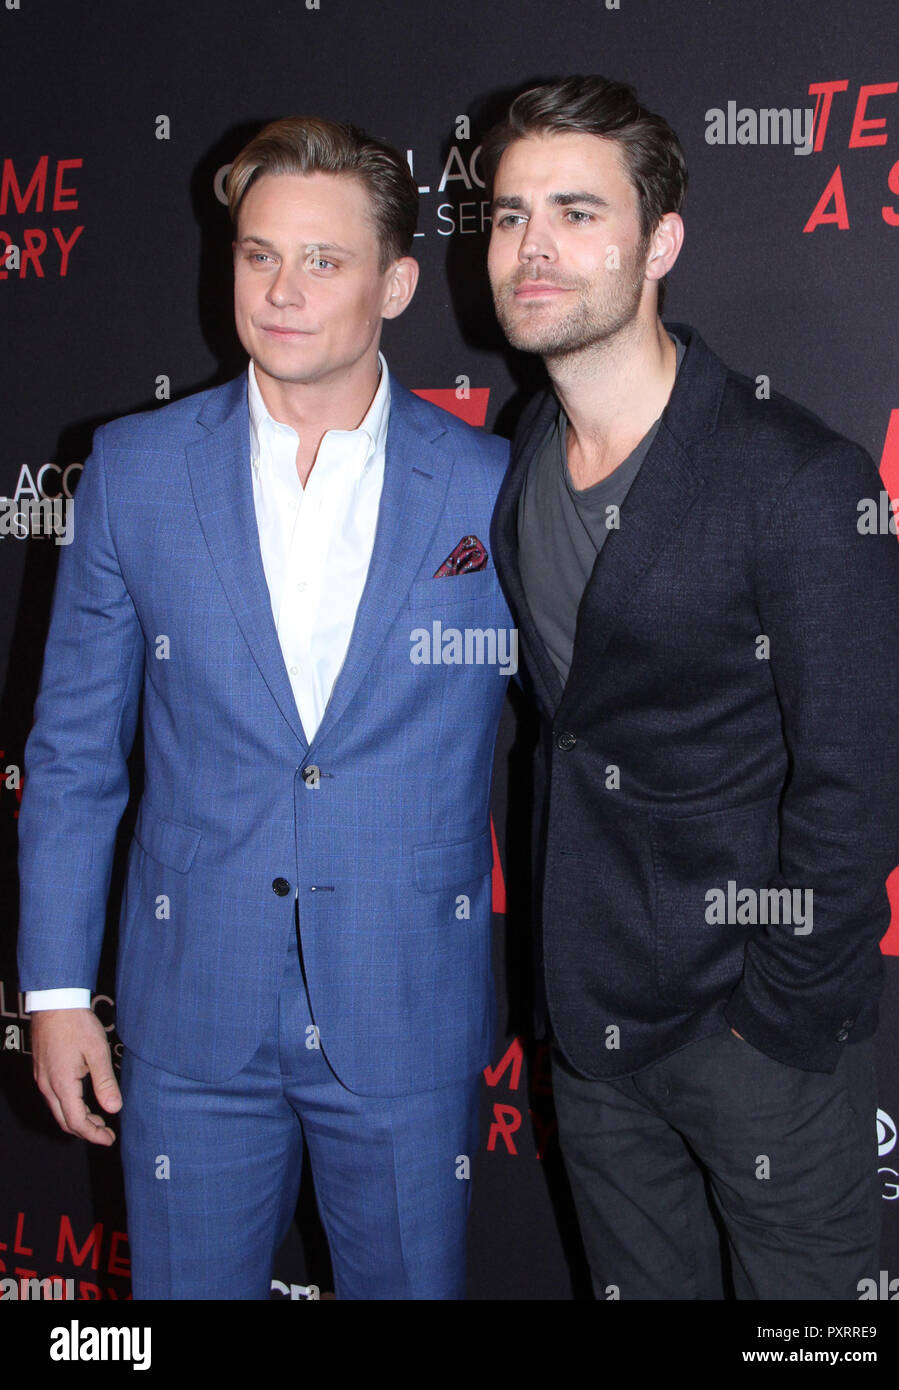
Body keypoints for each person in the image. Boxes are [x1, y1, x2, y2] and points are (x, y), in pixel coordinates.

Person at [18, 115, 512, 1300]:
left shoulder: (494, 485)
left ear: (396, 281)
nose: (282, 293)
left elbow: (590, 736)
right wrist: (50, 990)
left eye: (324, 261)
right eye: (257, 255)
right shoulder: (134, 469)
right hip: (190, 1013)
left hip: (407, 1007)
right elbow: (78, 750)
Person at [483, 75, 899, 1300]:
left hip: (755, 1034)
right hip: (594, 1028)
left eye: (578, 212)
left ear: (660, 241)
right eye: (512, 216)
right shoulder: (525, 457)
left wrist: (772, 1019)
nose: (535, 249)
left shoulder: (793, 478)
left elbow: (859, 788)